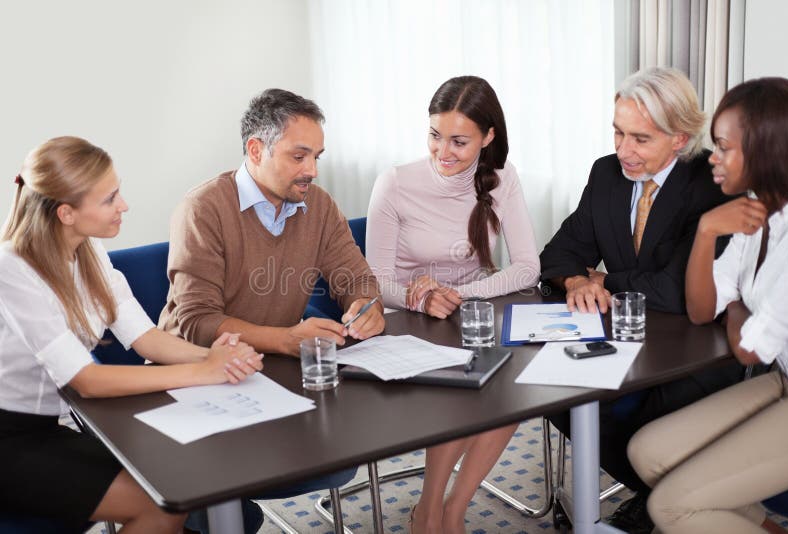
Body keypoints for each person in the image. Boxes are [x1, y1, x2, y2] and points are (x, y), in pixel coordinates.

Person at [0, 137, 263, 533]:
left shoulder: (87, 253)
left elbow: (145, 338)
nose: (123, 205)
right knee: (161, 506)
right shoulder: (13, 269)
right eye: (109, 199)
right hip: (10, 440)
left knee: (180, 481)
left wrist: (218, 357)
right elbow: (86, 381)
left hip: (51, 428)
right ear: (66, 212)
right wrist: (205, 371)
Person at [539, 67, 743, 533]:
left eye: (639, 138)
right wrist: (576, 281)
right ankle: (656, 493)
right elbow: (558, 252)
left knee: (651, 413)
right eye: (617, 132)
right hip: (626, 339)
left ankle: (665, 498)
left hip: (697, 349)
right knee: (554, 395)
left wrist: (603, 281)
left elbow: (674, 291)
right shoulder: (607, 173)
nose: (622, 149)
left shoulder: (713, 183)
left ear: (680, 138)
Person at [366, 75, 540, 533]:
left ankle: (454, 508)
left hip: (466, 315)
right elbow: (374, 281)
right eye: (434, 136)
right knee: (467, 390)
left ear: (488, 137)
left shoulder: (502, 179)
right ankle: (428, 510)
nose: (443, 152)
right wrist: (419, 297)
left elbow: (527, 267)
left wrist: (458, 295)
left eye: (459, 141)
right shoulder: (396, 183)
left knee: (513, 389)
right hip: (406, 323)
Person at [627, 76, 788, 534]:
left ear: (766, 151)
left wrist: (739, 306)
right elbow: (703, 309)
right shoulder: (756, 209)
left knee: (670, 507)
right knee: (646, 453)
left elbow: (749, 351)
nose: (713, 159)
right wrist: (706, 230)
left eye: (724, 147)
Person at [158, 88, 384, 355]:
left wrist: (368, 307)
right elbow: (199, 322)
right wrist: (285, 339)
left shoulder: (320, 206)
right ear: (256, 151)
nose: (312, 171)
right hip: (192, 366)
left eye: (316, 157)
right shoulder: (202, 209)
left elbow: (357, 280)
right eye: (299, 157)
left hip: (268, 365)